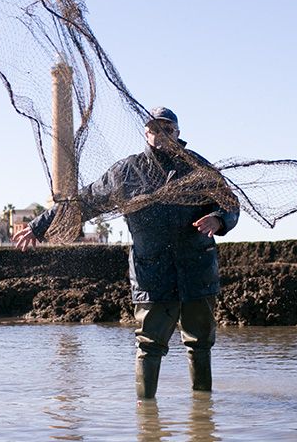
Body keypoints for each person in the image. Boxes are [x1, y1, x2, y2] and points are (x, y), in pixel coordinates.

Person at [13, 107, 239, 398]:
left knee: (200, 342)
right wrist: (39, 226)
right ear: (146, 133)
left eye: (167, 129)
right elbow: (83, 202)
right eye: (154, 129)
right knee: (148, 344)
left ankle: (202, 414)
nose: (160, 135)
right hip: (152, 274)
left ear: (178, 133)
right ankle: (147, 418)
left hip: (197, 270)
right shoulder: (126, 172)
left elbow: (230, 203)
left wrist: (219, 219)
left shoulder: (199, 168)